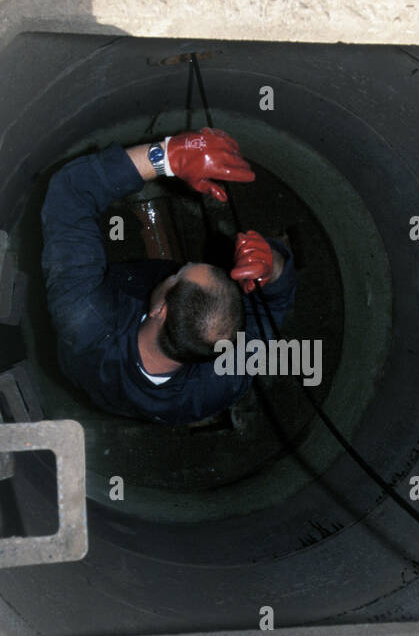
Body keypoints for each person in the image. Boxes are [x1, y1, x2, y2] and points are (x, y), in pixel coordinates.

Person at [41, 128, 297, 424]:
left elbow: (71, 192)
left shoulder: (84, 314)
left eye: (178, 273)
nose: (181, 263)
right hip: (108, 395)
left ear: (159, 309)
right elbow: (273, 311)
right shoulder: (218, 387)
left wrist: (166, 157)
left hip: (81, 363)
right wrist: (274, 267)